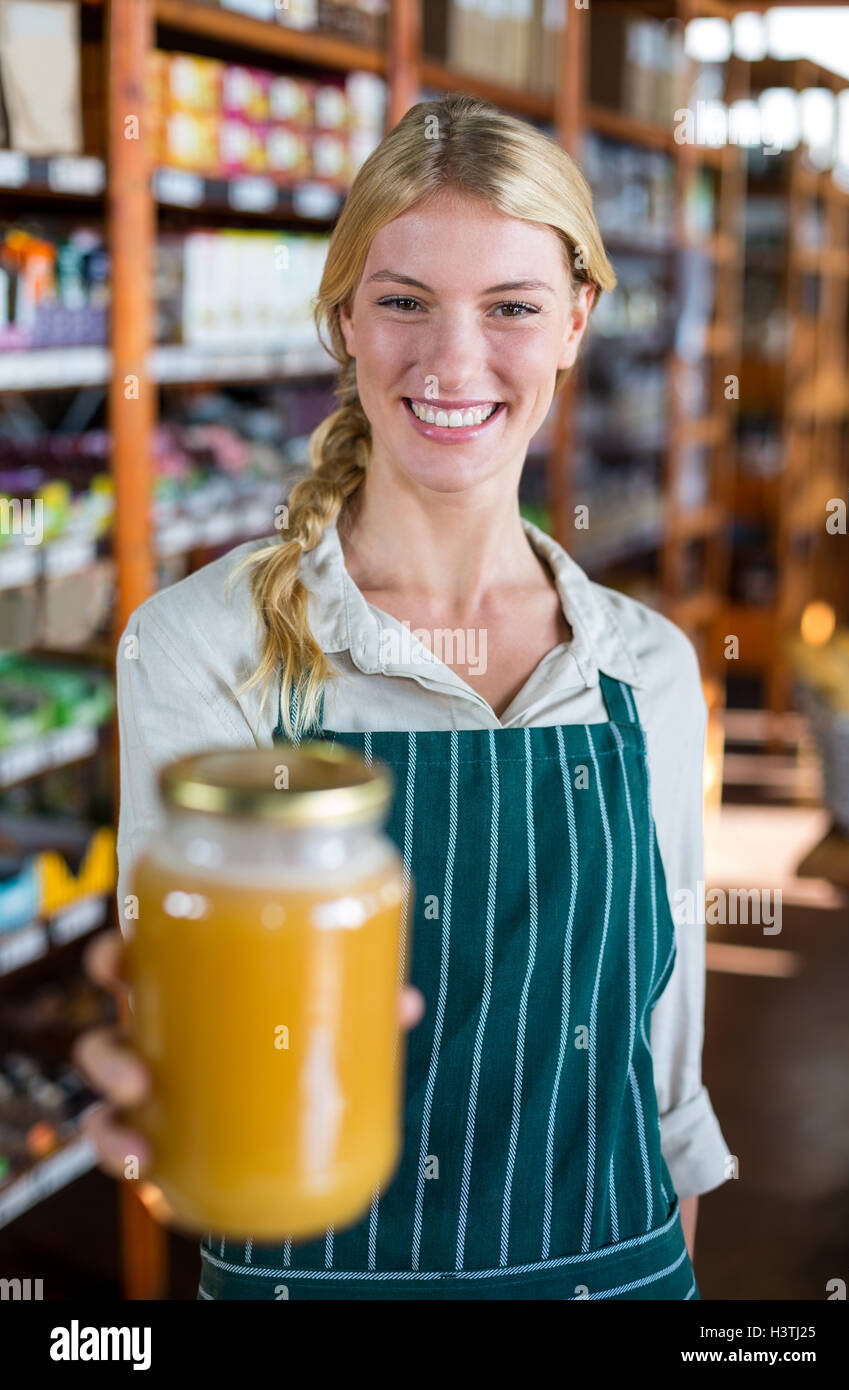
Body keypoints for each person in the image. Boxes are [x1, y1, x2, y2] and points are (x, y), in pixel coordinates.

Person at [75, 93, 731, 1300]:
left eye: (512, 308)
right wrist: (171, 1069)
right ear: (343, 319)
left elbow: (664, 1035)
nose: (452, 361)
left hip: (619, 1268)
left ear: (577, 321)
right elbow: (197, 1031)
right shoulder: (201, 647)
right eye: (402, 303)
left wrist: (669, 1249)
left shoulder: (647, 668)